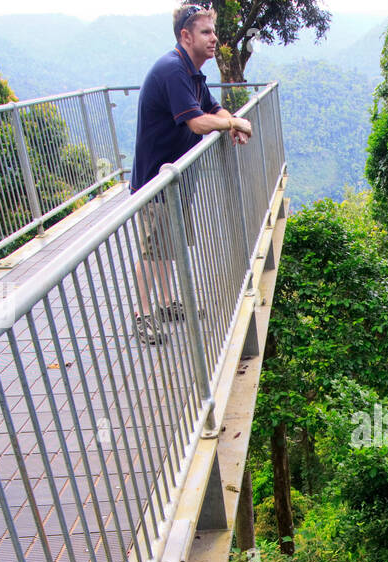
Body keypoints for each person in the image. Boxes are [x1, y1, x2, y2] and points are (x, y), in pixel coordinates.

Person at [129, 2, 253, 344]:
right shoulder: (173, 70)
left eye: (213, 31)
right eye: (206, 32)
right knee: (154, 249)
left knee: (169, 244)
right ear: (186, 35)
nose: (214, 38)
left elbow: (212, 108)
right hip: (155, 179)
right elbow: (198, 122)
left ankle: (167, 304)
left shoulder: (192, 72)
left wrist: (230, 123)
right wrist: (233, 122)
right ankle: (142, 315)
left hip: (174, 176)